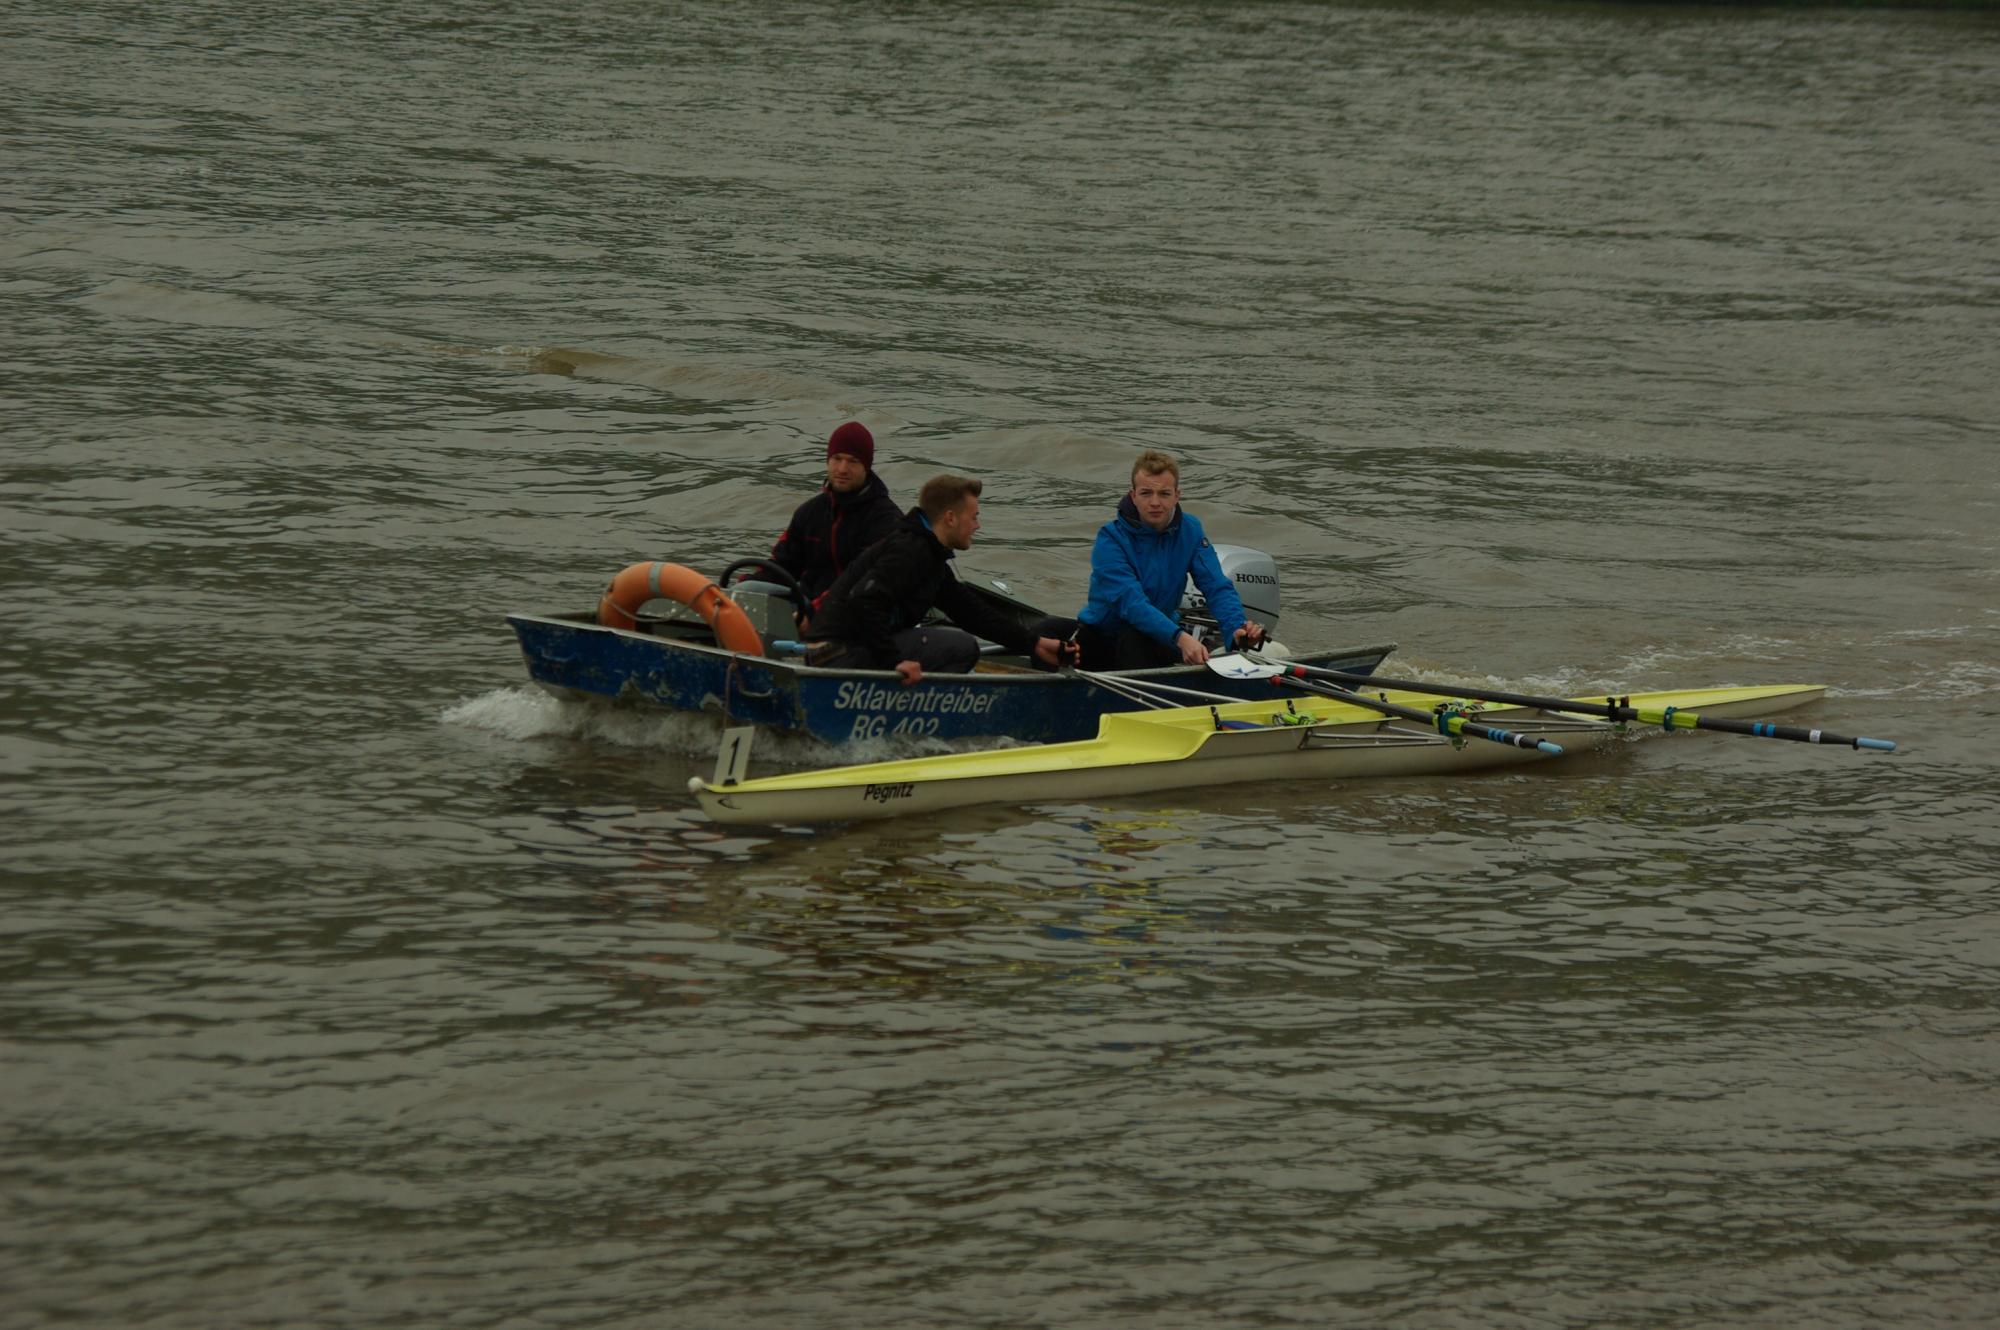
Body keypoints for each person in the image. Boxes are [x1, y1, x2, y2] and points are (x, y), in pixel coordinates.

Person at [803, 475, 1075, 685]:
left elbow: (973, 613)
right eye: (974, 517)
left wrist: (1034, 643)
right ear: (950, 518)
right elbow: (863, 602)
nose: (977, 526)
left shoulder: (928, 555)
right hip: (834, 654)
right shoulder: (911, 552)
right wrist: (895, 661)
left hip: (842, 648)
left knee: (959, 638)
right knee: (961, 647)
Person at [1058, 449, 1266, 671]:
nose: (1155, 502)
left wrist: (1236, 630)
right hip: (1103, 637)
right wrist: (1181, 638)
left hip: (1158, 636)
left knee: (1145, 639)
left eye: (1164, 494)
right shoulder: (1109, 539)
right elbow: (1132, 604)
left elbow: (1217, 586)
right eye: (1146, 493)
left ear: (1177, 495)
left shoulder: (1191, 530)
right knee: (1045, 631)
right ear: (1133, 496)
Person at [766, 421, 902, 619]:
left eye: (853, 461)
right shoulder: (809, 512)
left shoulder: (886, 520)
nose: (842, 468)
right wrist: (735, 594)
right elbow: (779, 566)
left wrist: (815, 614)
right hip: (805, 607)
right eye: (837, 459)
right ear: (828, 460)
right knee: (751, 588)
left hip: (854, 615)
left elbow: (864, 582)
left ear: (867, 467)